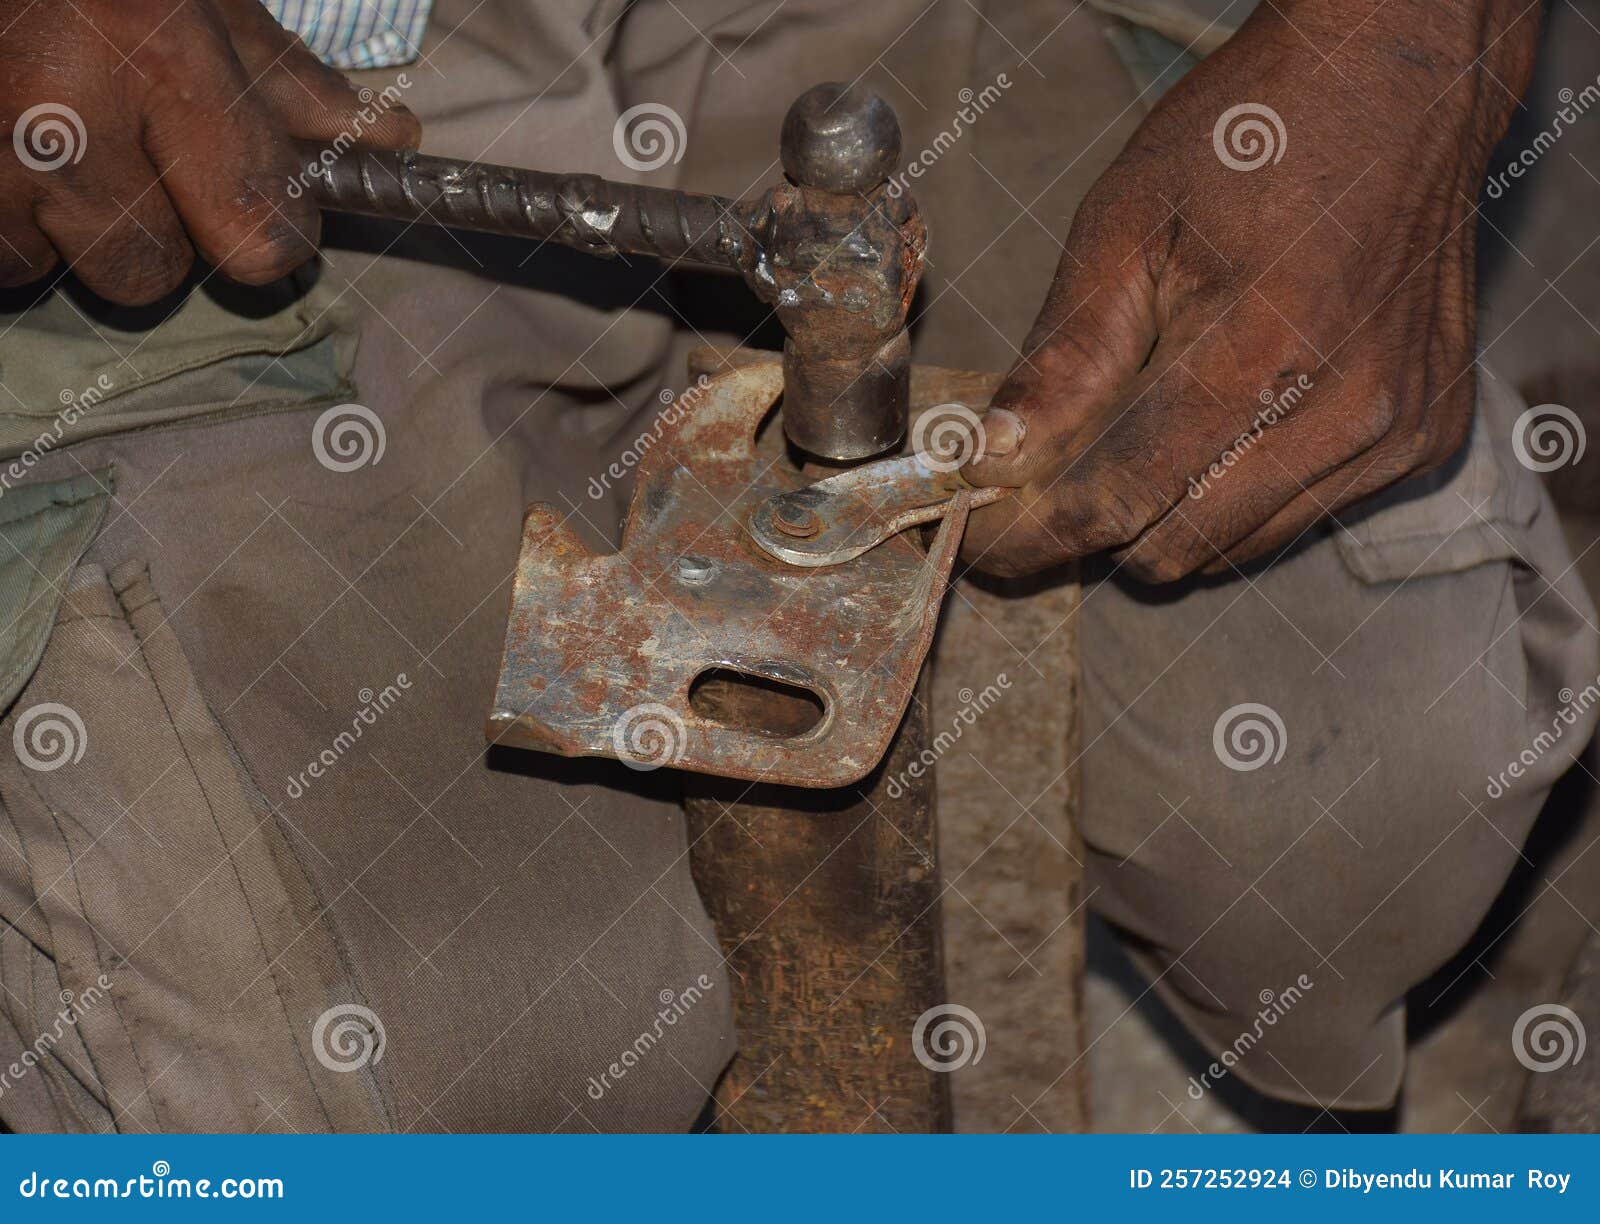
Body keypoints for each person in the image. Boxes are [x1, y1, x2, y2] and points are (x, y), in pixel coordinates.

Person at [0, 0, 1592, 1130]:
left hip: (887, 25)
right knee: (427, 1086)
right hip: (270, 101)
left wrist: (1419, 39)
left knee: (1357, 824)